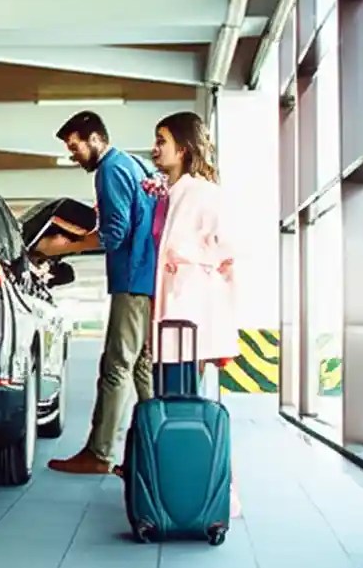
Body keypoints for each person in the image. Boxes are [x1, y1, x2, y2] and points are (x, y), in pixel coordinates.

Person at [37, 111, 157, 475]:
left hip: (132, 281)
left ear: (93, 139)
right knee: (140, 369)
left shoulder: (110, 170)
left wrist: (60, 247)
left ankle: (100, 453)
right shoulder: (134, 164)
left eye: (74, 146)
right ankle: (153, 450)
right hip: (146, 280)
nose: (74, 155)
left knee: (116, 366)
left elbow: (114, 233)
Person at [142, 110, 242, 517]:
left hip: (190, 314)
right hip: (171, 311)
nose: (155, 147)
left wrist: (188, 261)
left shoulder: (204, 193)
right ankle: (175, 488)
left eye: (161, 140)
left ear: (183, 148)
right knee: (172, 399)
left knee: (185, 401)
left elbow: (230, 252)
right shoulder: (171, 192)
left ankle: (210, 493)